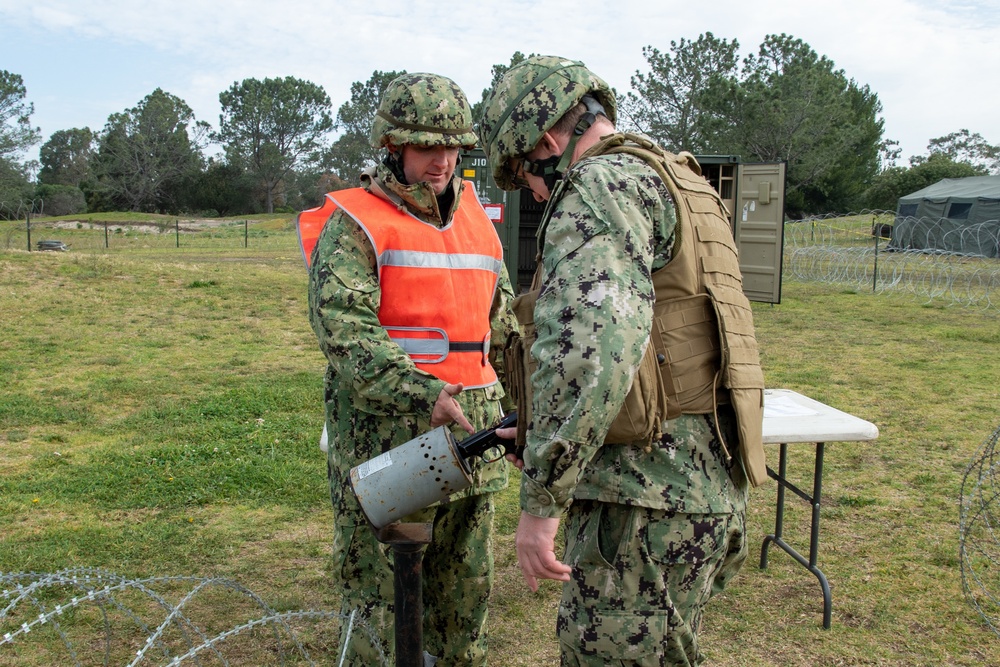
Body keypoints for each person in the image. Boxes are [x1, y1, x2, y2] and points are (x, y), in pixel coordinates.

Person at [480, 55, 767, 666]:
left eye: (525, 173)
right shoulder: (678, 180)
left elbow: (592, 355)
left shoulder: (600, 186)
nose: (533, 191)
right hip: (707, 484)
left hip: (645, 500)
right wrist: (533, 425)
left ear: (548, 140)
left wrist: (542, 498)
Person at [303, 72, 519, 666]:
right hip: (390, 451)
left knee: (463, 602)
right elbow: (346, 334)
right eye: (428, 146)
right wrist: (421, 392)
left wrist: (524, 407)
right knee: (380, 609)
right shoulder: (355, 222)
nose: (443, 161)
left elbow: (503, 331)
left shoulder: (478, 221)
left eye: (453, 147)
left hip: (477, 444)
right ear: (393, 146)